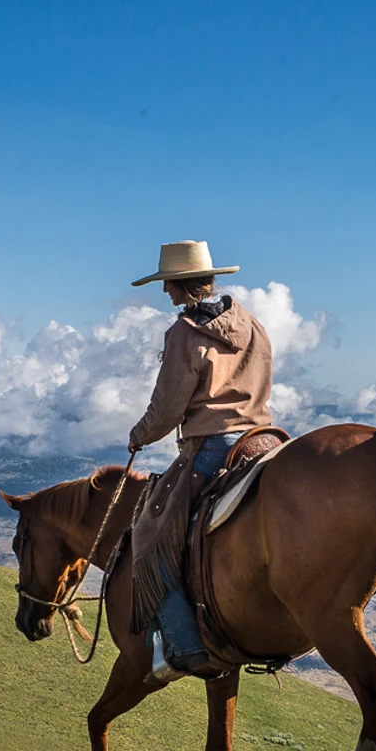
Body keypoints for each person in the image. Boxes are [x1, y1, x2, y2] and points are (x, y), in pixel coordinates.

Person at [126, 240, 273, 680]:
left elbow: (168, 406)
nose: (165, 292)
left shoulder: (185, 332)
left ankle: (184, 646)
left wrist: (139, 435)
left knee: (150, 534)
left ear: (182, 284)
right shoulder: (250, 322)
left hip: (214, 444)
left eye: (168, 284)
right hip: (263, 439)